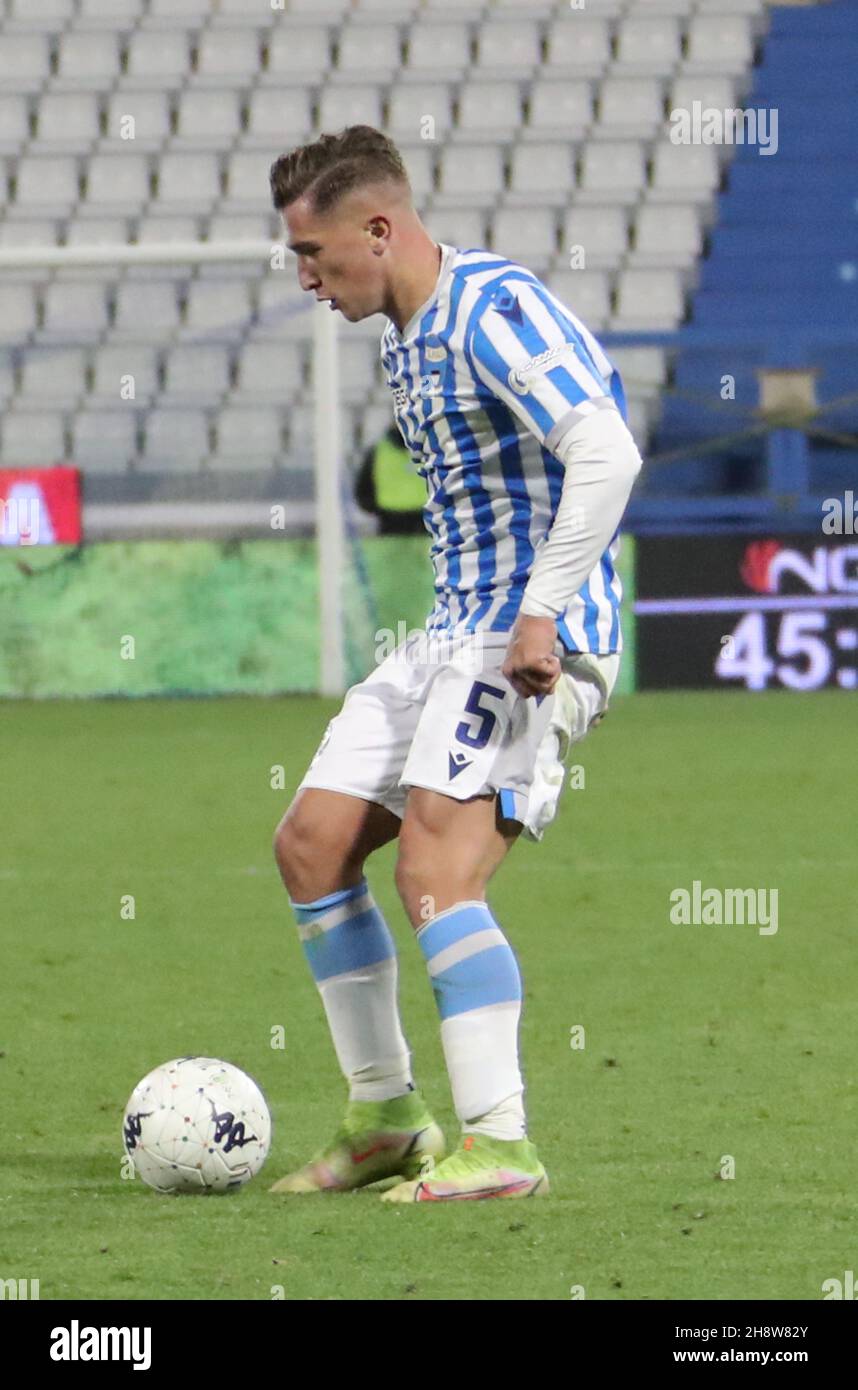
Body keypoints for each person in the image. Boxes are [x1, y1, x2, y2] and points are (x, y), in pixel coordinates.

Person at [266, 126, 642, 1202]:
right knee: (311, 845)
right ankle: (386, 1116)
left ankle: (501, 1146)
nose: (306, 279)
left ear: (379, 229)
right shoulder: (400, 332)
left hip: (532, 639)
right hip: (453, 630)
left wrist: (542, 613)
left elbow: (607, 448)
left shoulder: (492, 309)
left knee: (434, 867)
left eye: (315, 254)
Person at [354, 422, 426, 534]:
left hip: (389, 522)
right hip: (427, 523)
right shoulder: (435, 449)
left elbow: (363, 491)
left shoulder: (378, 450)